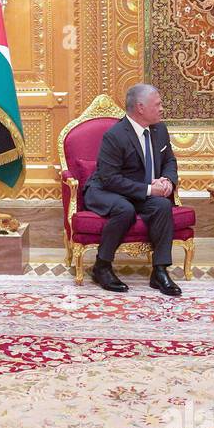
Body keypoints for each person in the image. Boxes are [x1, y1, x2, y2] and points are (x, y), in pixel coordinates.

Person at [83, 83, 182, 296]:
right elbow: (109, 179)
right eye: (158, 104)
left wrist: (167, 180)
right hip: (105, 190)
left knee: (163, 205)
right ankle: (101, 266)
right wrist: (149, 189)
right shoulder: (115, 136)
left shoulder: (160, 129)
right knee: (124, 210)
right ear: (140, 108)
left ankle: (160, 270)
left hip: (138, 191)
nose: (162, 108)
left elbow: (170, 161)